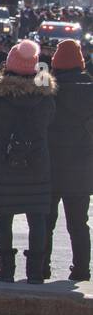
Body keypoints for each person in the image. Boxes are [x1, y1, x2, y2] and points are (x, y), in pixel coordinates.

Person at [0, 40, 56, 283]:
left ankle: (6, 271)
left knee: (4, 218)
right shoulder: (45, 96)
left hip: (4, 163)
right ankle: (35, 274)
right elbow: (52, 122)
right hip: (37, 164)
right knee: (37, 219)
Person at [45, 40, 93, 281]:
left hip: (50, 165)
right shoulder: (90, 88)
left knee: (46, 222)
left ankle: (41, 267)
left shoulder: (48, 87)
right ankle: (82, 269)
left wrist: (43, 69)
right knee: (79, 223)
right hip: (82, 167)